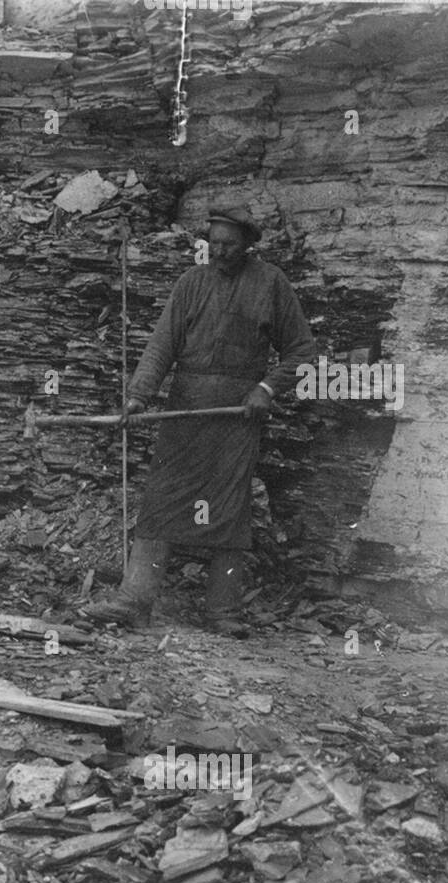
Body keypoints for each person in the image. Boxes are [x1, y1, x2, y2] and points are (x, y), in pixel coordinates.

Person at [82, 205, 317, 637]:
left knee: (229, 509)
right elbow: (161, 346)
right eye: (213, 244)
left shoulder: (271, 284)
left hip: (236, 415)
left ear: (249, 246)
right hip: (185, 408)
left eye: (229, 246)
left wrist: (265, 389)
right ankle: (134, 600)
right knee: (161, 501)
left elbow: (302, 351)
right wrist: (138, 397)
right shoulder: (191, 283)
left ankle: (222, 612)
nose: (219, 253)